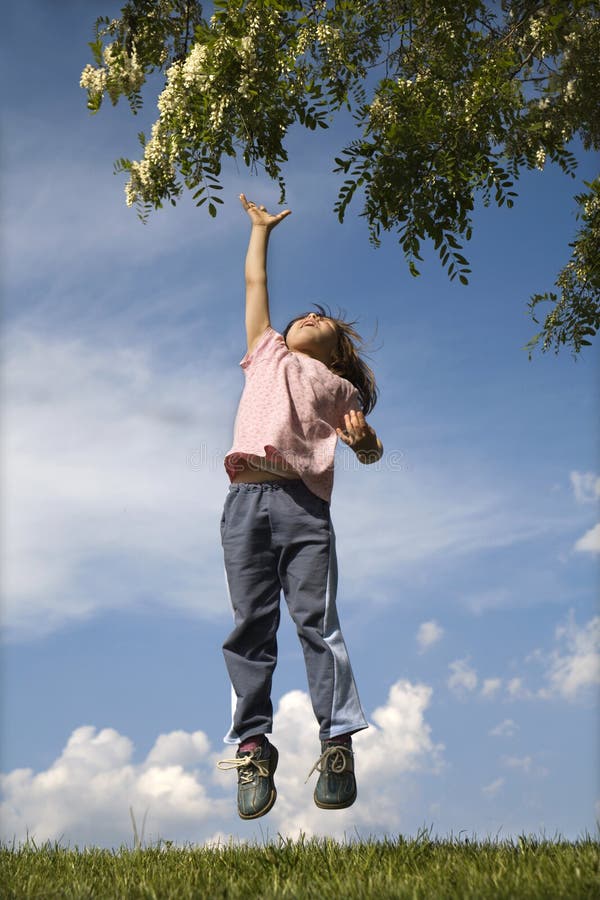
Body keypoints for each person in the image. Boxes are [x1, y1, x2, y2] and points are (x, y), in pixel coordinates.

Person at [217, 193, 383, 820]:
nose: (310, 314)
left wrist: (365, 443)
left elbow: (370, 447)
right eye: (305, 314)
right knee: (249, 627)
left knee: (317, 622)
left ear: (338, 354)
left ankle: (337, 743)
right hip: (243, 504)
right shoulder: (266, 350)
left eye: (325, 321)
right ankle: (253, 747)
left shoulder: (338, 387)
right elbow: (254, 282)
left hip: (303, 506)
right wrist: (260, 231)